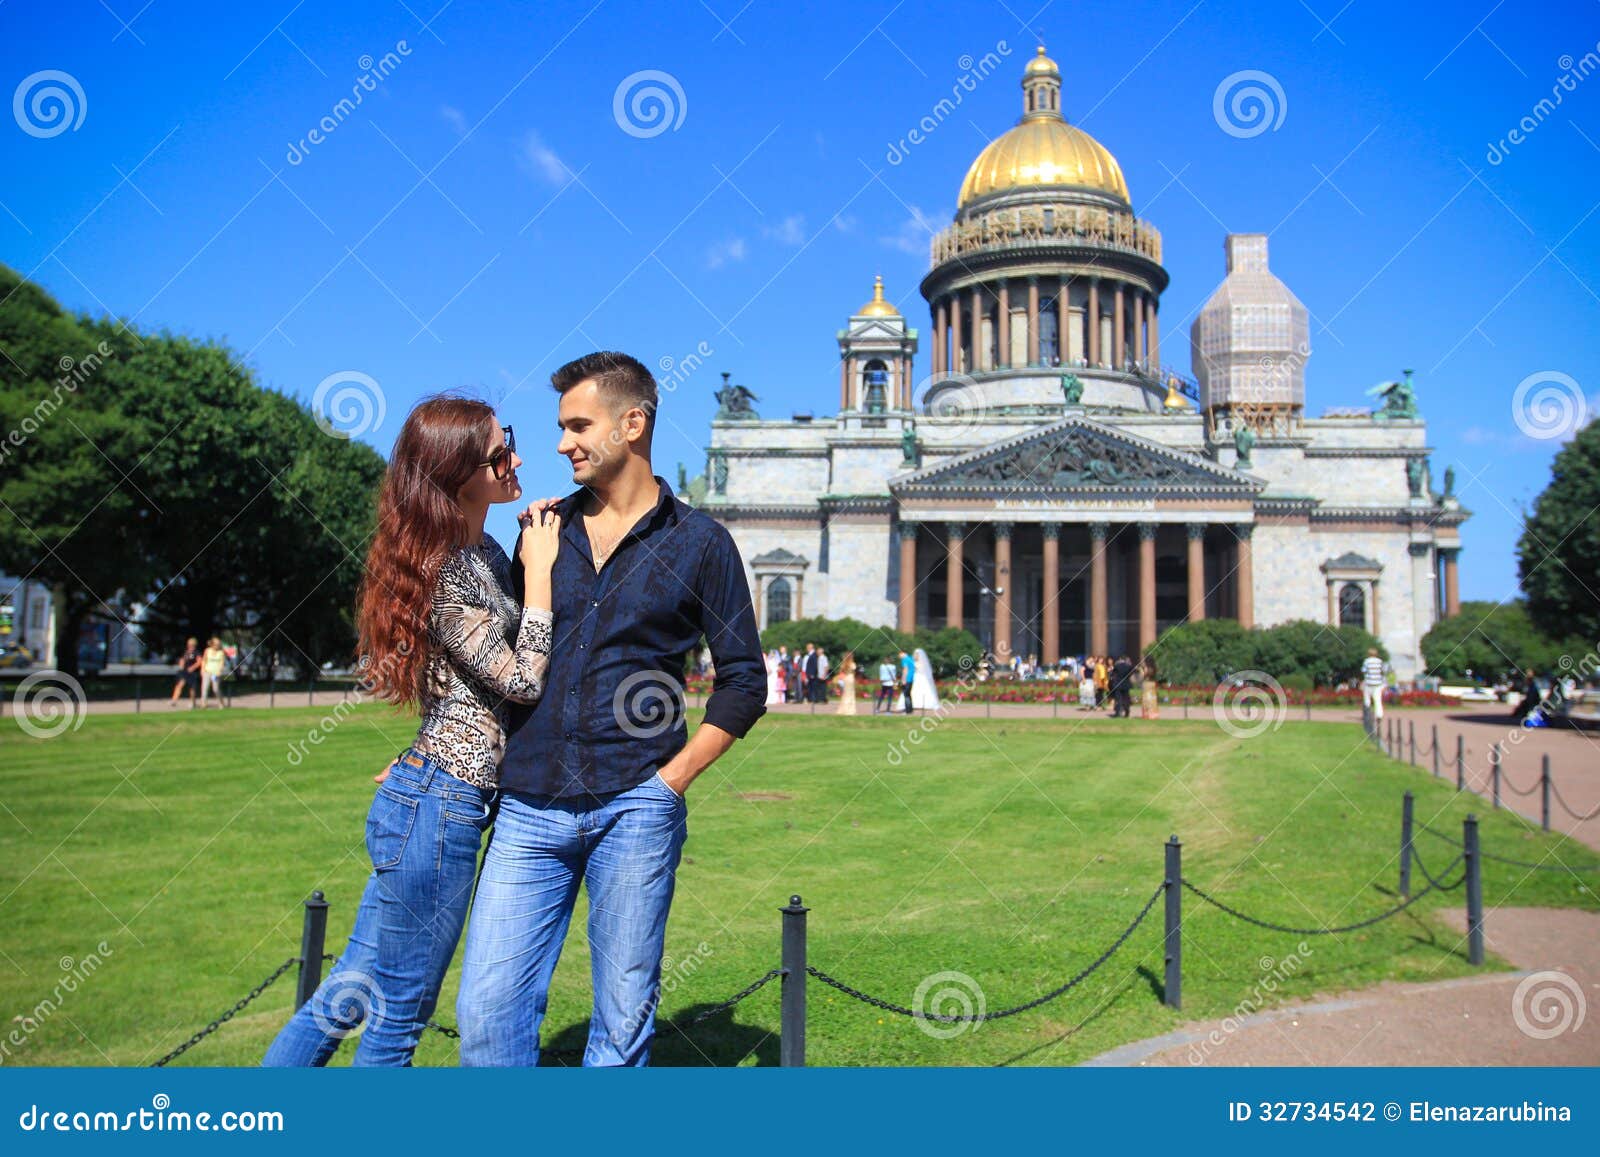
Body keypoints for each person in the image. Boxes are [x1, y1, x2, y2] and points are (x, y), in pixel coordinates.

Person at [455, 351, 767, 1068]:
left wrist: (669, 783)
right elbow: (498, 661)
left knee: (622, 1021)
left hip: (637, 804)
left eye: (576, 425)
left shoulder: (702, 543)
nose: (561, 442)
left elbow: (744, 680)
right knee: (486, 1010)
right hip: (528, 804)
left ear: (633, 423)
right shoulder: (538, 530)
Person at [264, 396, 559, 1066]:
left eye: (507, 439)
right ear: (458, 474)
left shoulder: (481, 548)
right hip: (440, 805)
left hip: (430, 794)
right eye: (497, 453)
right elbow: (519, 680)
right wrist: (538, 577)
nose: (516, 457)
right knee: (400, 1012)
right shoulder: (450, 567)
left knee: (346, 990)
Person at [170, 637, 201, 707]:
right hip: (184, 672)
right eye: (189, 645)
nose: (190, 646)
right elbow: (182, 659)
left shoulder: (197, 652)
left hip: (192, 672)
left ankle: (192, 702)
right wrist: (181, 664)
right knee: (179, 685)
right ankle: (174, 700)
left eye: (192, 645)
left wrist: (192, 668)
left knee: (192, 688)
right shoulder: (186, 652)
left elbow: (199, 662)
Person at [198, 637, 228, 707]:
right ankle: (203, 703)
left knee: (215, 689)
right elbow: (204, 660)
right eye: (216, 644)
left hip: (215, 673)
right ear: (212, 644)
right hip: (207, 671)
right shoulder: (207, 650)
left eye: (218, 644)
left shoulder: (221, 652)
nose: (217, 646)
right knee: (205, 688)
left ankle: (221, 702)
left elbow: (222, 663)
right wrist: (202, 670)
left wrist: (219, 671)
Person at [1361, 648, 1386, 721]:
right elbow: (1383, 671)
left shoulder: (1366, 661)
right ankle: (1379, 715)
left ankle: (1367, 715)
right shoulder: (1380, 661)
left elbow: (1363, 671)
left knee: (1367, 700)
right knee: (1378, 700)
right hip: (1377, 683)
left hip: (1369, 683)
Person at [897, 649, 915, 714]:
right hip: (911, 679)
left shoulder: (904, 660)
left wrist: (903, 680)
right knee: (908, 695)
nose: (899, 656)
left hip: (907, 679)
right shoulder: (910, 658)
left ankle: (908, 711)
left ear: (903, 653)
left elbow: (905, 670)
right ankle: (910, 709)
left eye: (899, 655)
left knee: (906, 695)